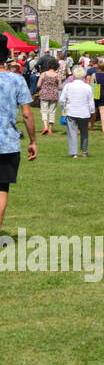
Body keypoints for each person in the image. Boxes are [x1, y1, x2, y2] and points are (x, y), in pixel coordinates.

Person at [0, 37, 38, 244]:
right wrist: (33, 140)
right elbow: (26, 114)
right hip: (6, 143)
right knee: (2, 189)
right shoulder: (16, 80)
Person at [61, 66, 95, 159]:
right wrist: (92, 111)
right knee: (84, 132)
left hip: (72, 111)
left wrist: (64, 107)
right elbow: (91, 101)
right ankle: (84, 151)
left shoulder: (68, 86)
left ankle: (74, 153)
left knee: (72, 132)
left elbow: (62, 99)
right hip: (84, 112)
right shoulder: (87, 87)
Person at [37, 62, 60, 136]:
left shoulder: (43, 74)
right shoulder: (57, 75)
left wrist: (43, 87)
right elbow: (60, 87)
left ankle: (45, 127)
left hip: (44, 94)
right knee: (52, 111)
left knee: (44, 111)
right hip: (54, 95)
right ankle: (50, 129)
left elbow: (38, 85)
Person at [93, 58, 104, 132]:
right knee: (102, 112)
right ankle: (103, 128)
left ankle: (91, 126)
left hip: (96, 94)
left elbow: (91, 85)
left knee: (94, 111)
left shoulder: (94, 75)